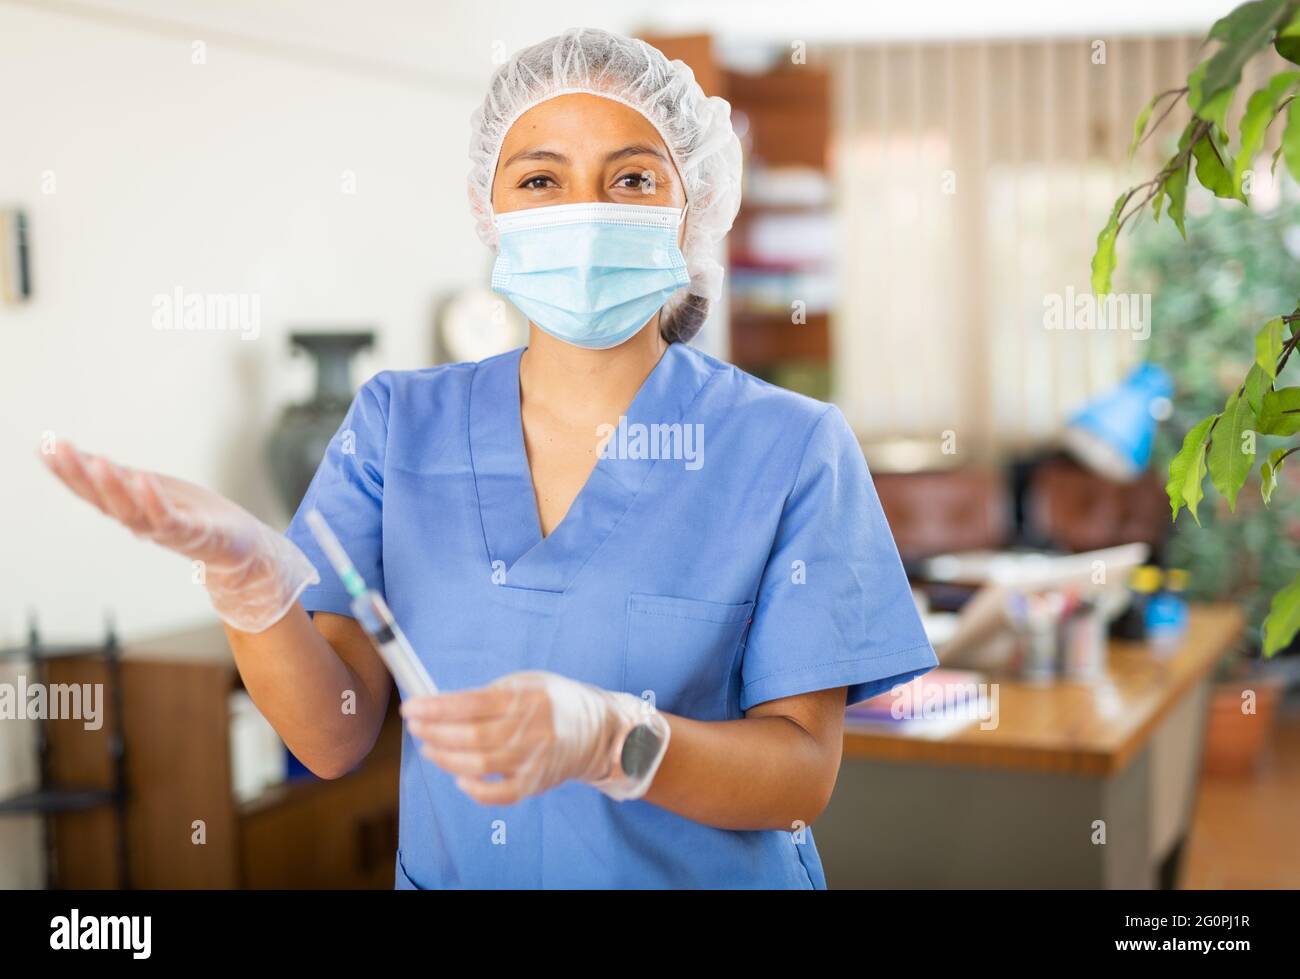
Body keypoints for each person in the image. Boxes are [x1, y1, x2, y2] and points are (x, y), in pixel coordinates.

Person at [41, 27, 937, 889]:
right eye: (541, 177)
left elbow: (799, 777)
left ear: (690, 205)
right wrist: (249, 583)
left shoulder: (790, 446)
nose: (583, 211)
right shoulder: (398, 424)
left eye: (629, 177)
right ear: (490, 209)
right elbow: (334, 737)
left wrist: (612, 740)